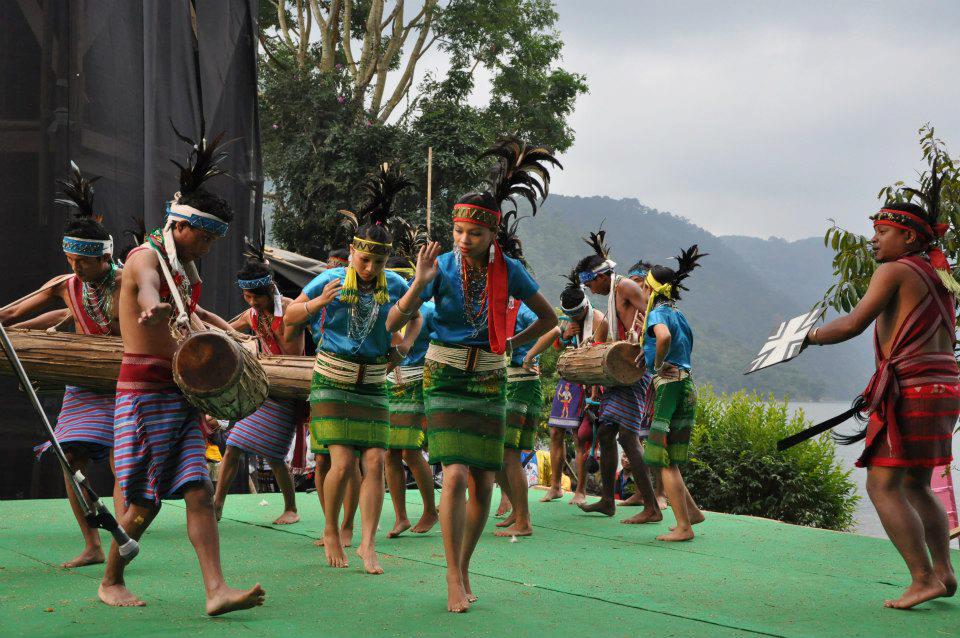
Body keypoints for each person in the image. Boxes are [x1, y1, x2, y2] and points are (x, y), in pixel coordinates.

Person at [384, 137, 559, 612]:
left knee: (484, 481)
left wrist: (512, 345)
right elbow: (391, 324)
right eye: (459, 231)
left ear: (492, 235)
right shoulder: (438, 268)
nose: (464, 239)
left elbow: (549, 320)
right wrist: (418, 284)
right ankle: (450, 576)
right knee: (456, 474)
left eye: (474, 234)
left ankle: (463, 569)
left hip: (488, 378)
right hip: (442, 376)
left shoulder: (512, 271)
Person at [98, 125, 265, 614]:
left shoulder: (182, 269)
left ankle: (216, 591)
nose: (208, 247)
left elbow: (190, 313)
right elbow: (147, 285)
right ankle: (110, 579)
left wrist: (227, 333)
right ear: (180, 225)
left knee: (198, 489)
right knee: (146, 503)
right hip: (144, 392)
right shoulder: (145, 258)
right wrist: (150, 306)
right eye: (206, 237)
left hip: (177, 393)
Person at [806, 172, 959, 609]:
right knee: (916, 484)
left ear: (907, 236)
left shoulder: (895, 270)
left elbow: (853, 324)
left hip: (911, 389)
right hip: (945, 386)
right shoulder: (938, 275)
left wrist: (808, 337)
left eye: (882, 232)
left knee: (882, 486)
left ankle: (922, 577)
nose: (874, 241)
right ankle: (944, 574)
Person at [284, 164, 430, 575]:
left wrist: (402, 345)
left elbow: (415, 317)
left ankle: (367, 543)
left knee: (377, 459)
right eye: (364, 260)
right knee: (343, 462)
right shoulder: (328, 279)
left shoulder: (396, 285)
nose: (369, 269)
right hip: (332, 378)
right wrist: (315, 304)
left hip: (373, 383)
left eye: (377, 262)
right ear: (353, 252)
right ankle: (331, 529)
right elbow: (289, 320)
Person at [0, 163, 125, 568]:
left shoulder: (129, 282)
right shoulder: (66, 285)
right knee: (68, 456)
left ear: (104, 257)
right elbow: (14, 311)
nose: (76, 269)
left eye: (83, 263)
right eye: (70, 260)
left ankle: (121, 541)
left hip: (128, 382)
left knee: (121, 460)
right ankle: (91, 543)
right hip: (84, 385)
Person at [213, 243, 306, 525]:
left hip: (289, 390)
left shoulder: (292, 309)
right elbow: (226, 327)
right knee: (234, 445)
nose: (250, 301)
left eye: (255, 296)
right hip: (263, 391)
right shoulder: (252, 314)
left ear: (269, 291)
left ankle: (291, 507)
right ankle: (217, 504)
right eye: (246, 295)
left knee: (275, 455)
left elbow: (313, 331)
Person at [574, 228, 661, 524]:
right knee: (608, 432)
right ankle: (608, 500)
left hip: (634, 369)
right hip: (618, 372)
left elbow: (653, 312)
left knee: (627, 435)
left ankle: (652, 507)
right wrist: (591, 345)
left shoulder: (624, 287)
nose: (589, 289)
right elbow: (607, 326)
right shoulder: (612, 294)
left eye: (588, 283)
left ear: (599, 277)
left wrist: (644, 345)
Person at [638, 246, 706, 542]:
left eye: (643, 285)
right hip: (686, 384)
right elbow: (680, 343)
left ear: (651, 289)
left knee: (663, 460)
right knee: (672, 459)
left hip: (668, 386)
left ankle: (683, 527)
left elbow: (663, 337)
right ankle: (691, 513)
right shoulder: (679, 313)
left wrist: (656, 363)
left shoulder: (657, 314)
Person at [384, 246, 440, 538]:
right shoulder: (384, 306)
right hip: (390, 383)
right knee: (389, 452)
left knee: (408, 449)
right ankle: (401, 516)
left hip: (417, 380)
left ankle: (430, 510)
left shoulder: (427, 309)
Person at [540, 271, 607, 505]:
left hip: (589, 385)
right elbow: (559, 347)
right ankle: (556, 486)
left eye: (576, 314)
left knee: (581, 439)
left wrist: (595, 389)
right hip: (567, 381)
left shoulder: (599, 319)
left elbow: (601, 355)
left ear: (585, 307)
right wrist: (565, 335)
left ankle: (580, 491)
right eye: (569, 315)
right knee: (556, 432)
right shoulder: (568, 322)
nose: (572, 318)